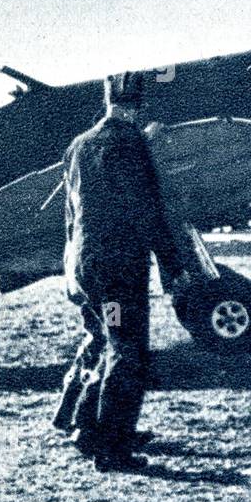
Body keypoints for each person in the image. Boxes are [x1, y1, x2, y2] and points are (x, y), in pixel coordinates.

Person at [54, 72, 183, 471]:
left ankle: (88, 428)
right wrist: (172, 265)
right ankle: (112, 448)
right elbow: (147, 209)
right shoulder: (131, 144)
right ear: (138, 105)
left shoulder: (79, 144)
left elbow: (70, 211)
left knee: (110, 340)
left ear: (107, 101)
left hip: (87, 265)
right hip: (118, 269)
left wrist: (71, 266)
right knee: (126, 349)